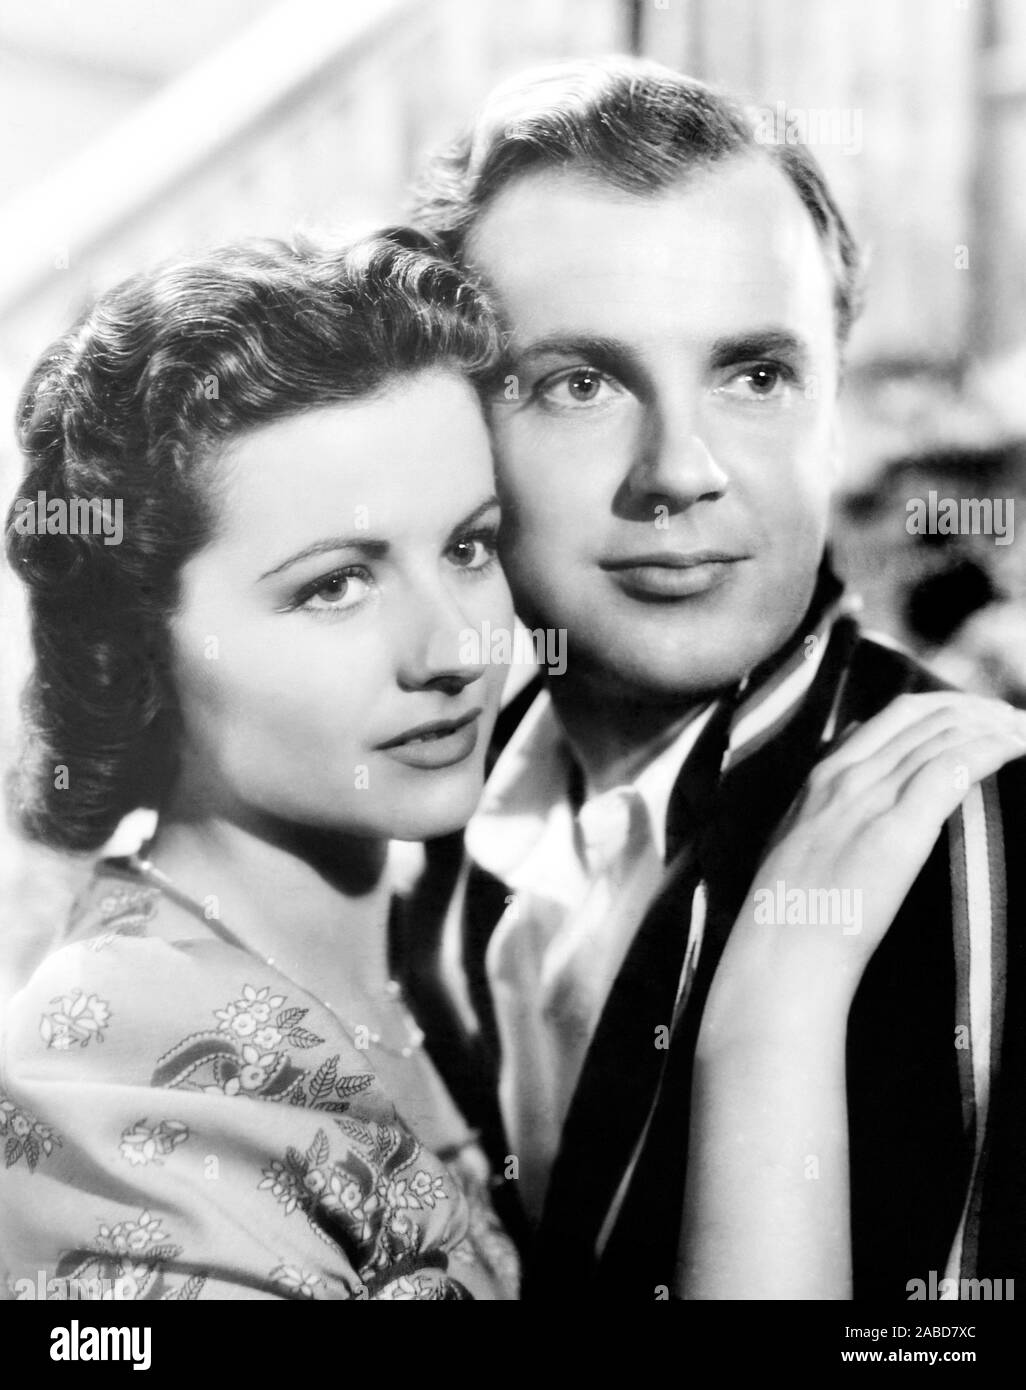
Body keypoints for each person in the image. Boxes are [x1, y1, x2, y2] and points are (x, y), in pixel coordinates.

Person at [398, 56, 1026, 1299]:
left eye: (755, 375)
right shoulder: (422, 817)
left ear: (833, 406)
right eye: (580, 384)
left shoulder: (972, 829)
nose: (680, 471)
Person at [0, 230, 520, 1300]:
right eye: (335, 585)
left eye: (469, 547)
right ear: (141, 638)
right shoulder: (96, 1082)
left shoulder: (477, 950)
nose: (455, 648)